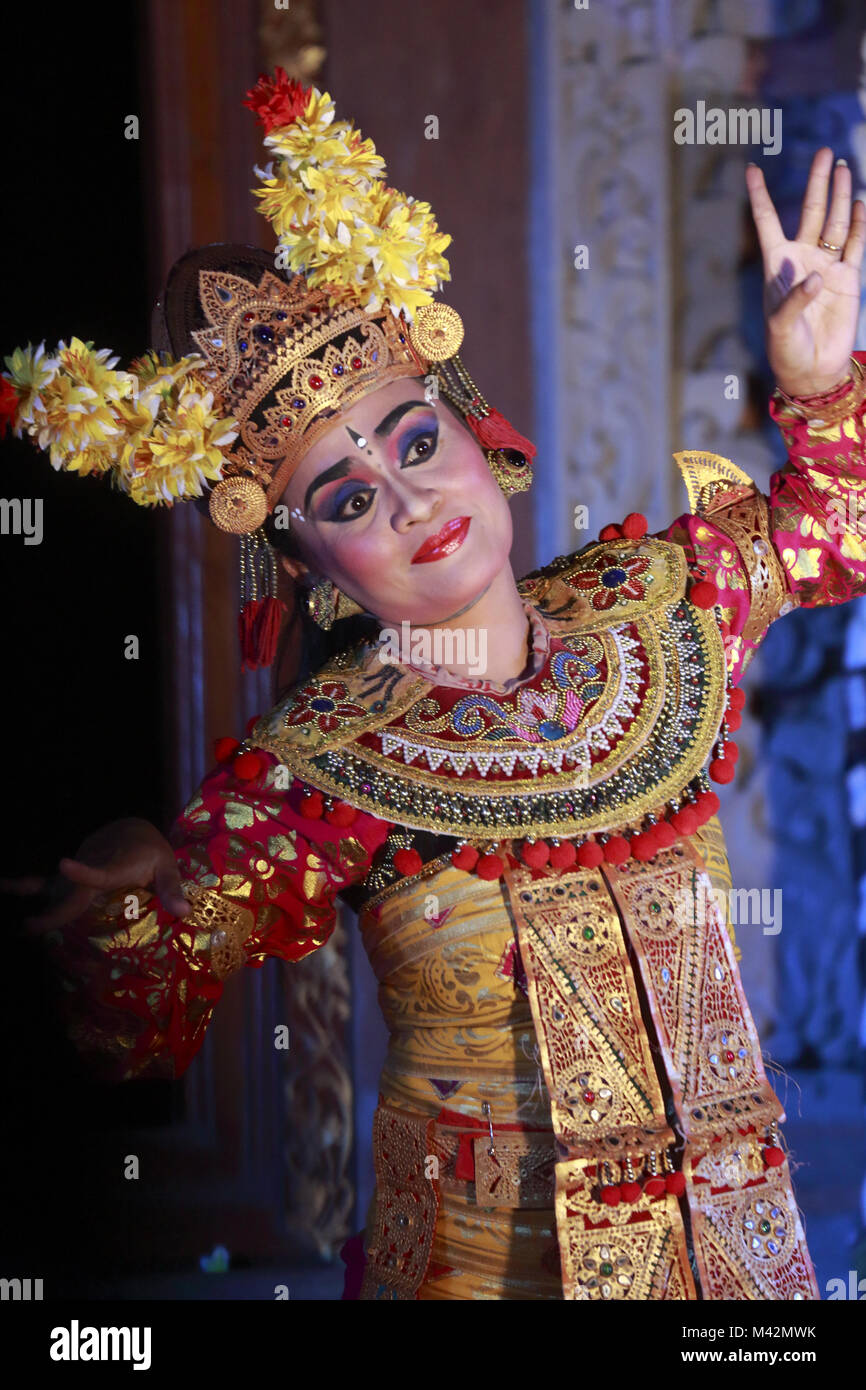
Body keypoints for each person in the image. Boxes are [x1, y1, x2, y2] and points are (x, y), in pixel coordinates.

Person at [3, 69, 866, 1301]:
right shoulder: (315, 768)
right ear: (307, 563)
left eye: (415, 442)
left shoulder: (655, 607)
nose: (411, 501)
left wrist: (817, 377)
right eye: (350, 500)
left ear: (469, 426)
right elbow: (124, 1023)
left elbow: (835, 530)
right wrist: (127, 889)